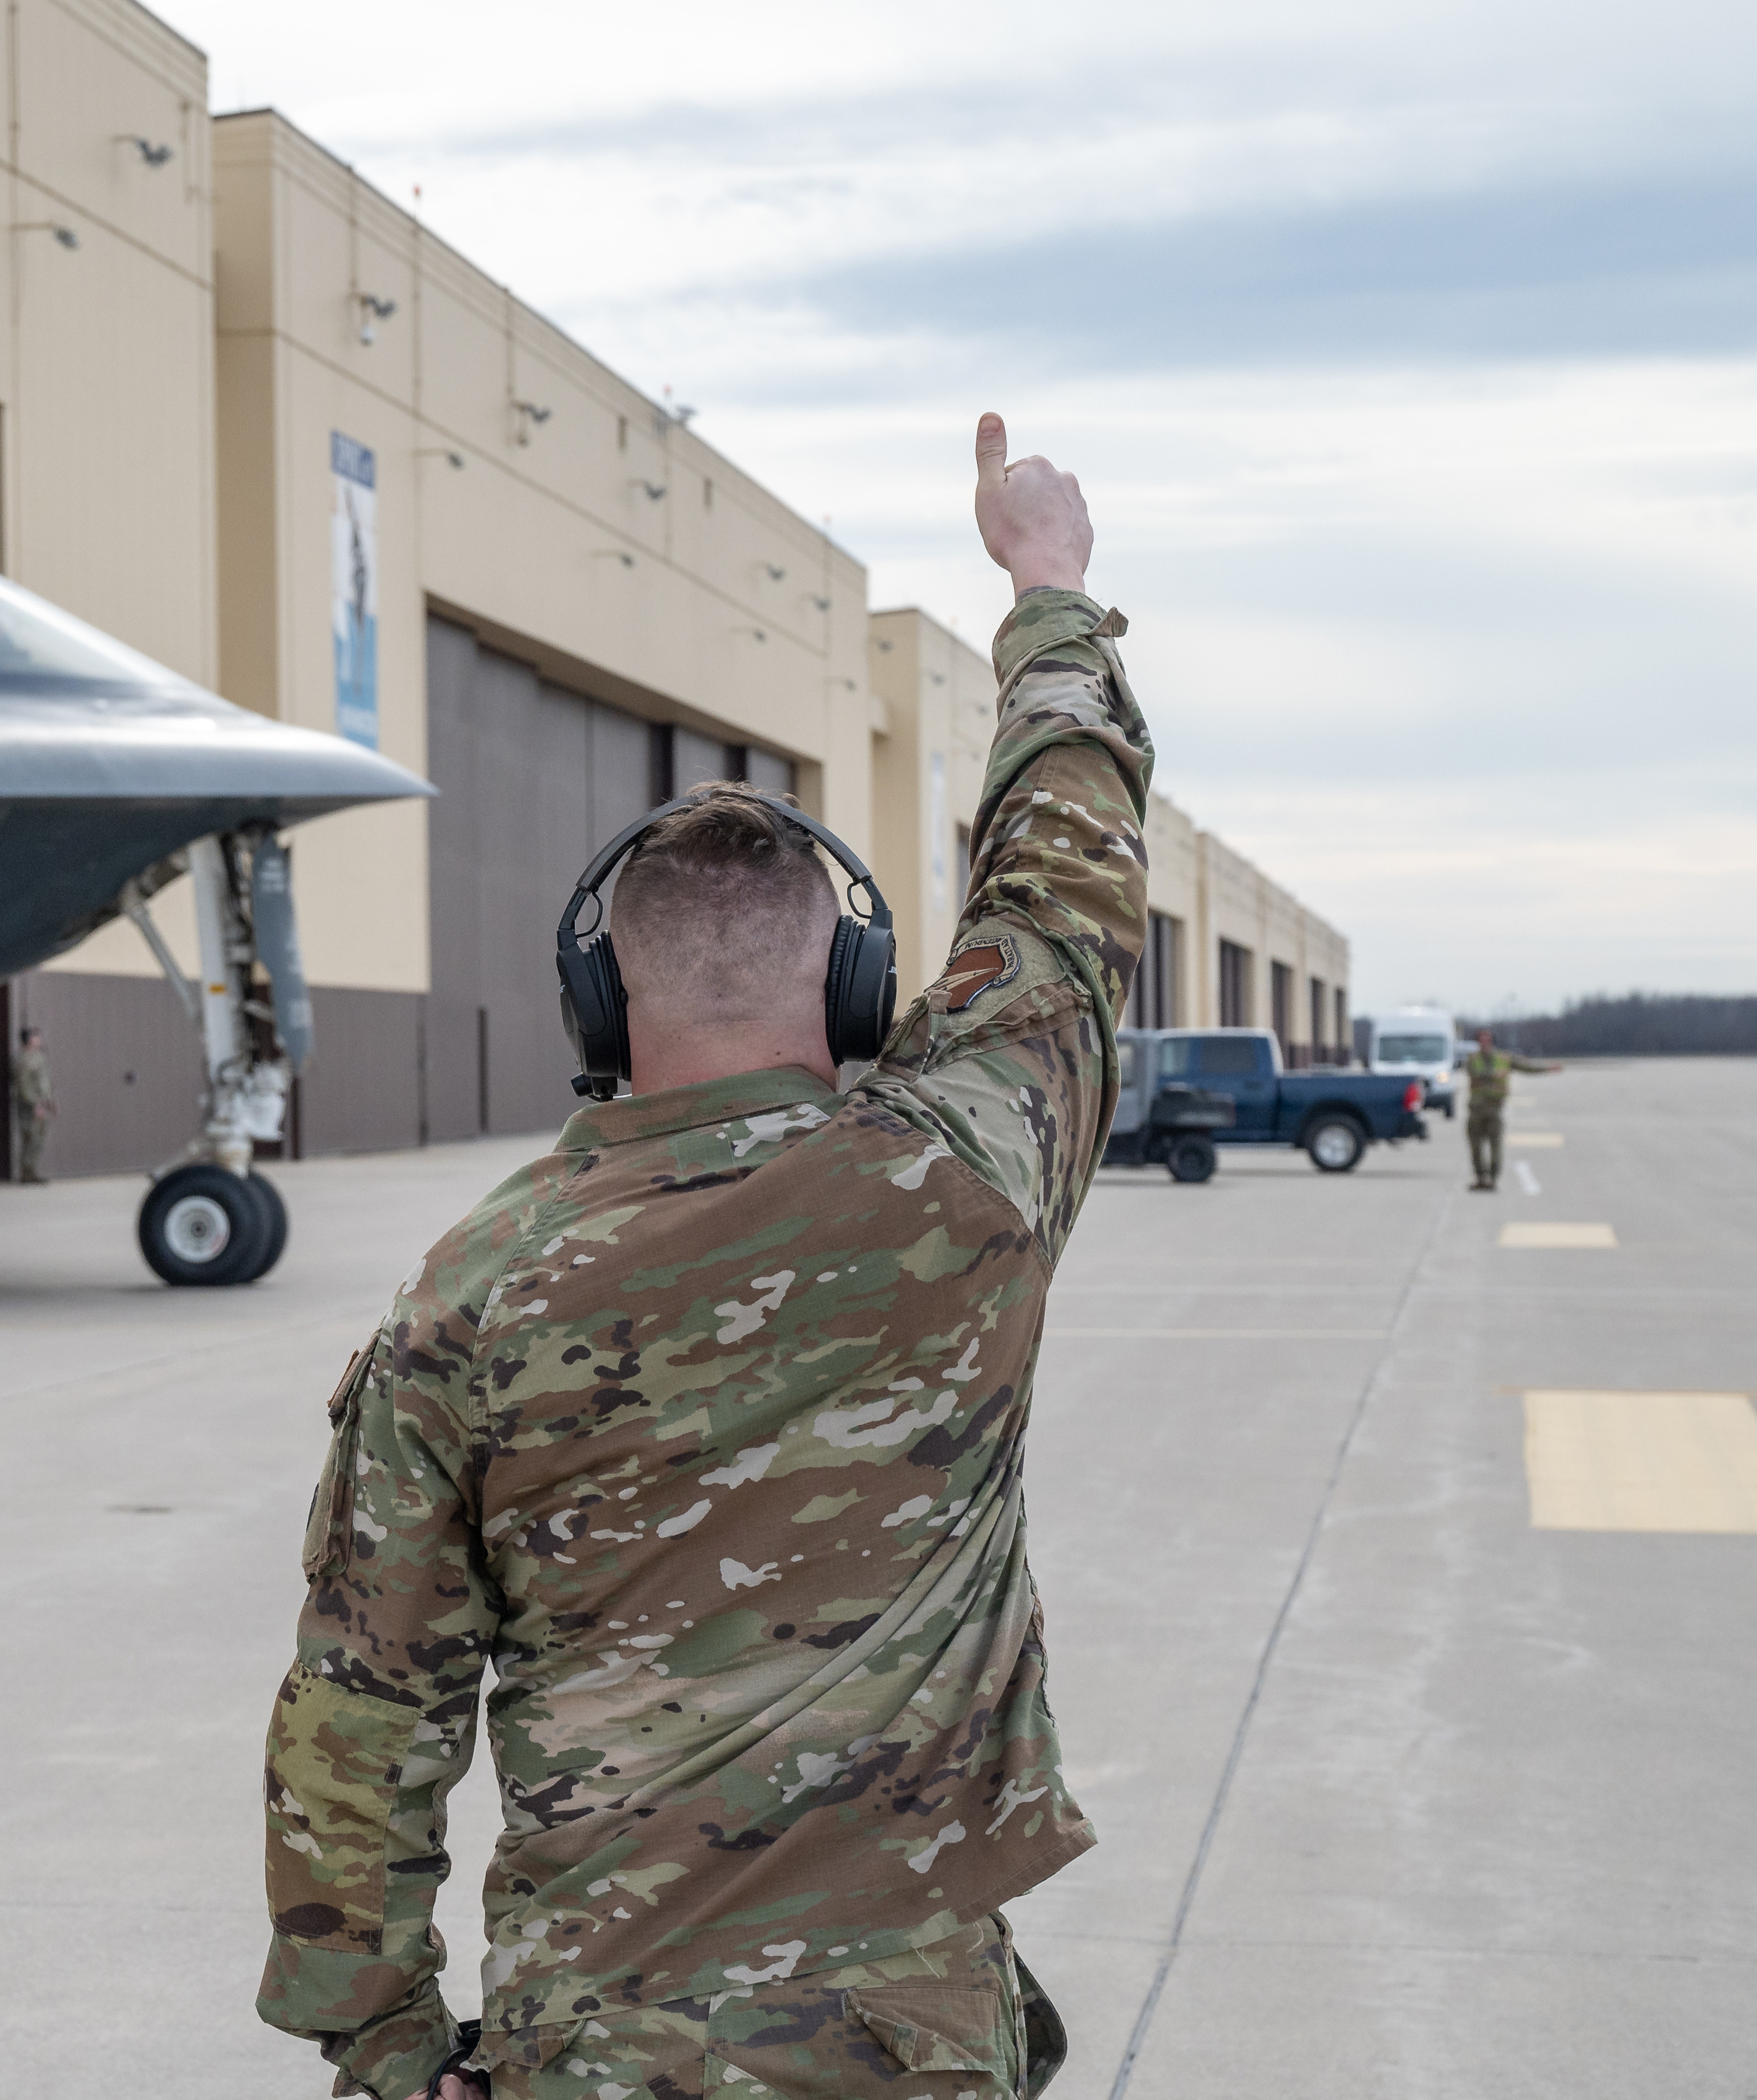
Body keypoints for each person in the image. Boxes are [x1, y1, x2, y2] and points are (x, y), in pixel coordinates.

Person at [256, 414, 1147, 2100]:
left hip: (589, 2051)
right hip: (911, 2053)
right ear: (860, 991)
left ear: (600, 1003)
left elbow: (361, 1714)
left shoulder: (469, 1293)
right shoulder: (960, 1179)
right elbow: (1063, 894)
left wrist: (382, 2051)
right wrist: (1047, 590)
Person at [1462, 1027, 1561, 1190]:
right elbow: (1477, 1074)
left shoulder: (1503, 1058)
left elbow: (1526, 1067)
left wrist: (1548, 1068)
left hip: (1495, 1108)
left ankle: (1492, 1178)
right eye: (1481, 1040)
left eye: (1488, 1040)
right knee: (1476, 1147)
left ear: (1493, 1041)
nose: (1485, 1043)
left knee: (1495, 1145)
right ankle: (1480, 1178)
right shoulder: (1473, 1060)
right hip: (1477, 1109)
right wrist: (1496, 1075)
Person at [11, 1024, 55, 1184]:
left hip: (41, 1104)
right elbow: (24, 1085)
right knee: (31, 1138)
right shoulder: (23, 1059)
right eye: (36, 1037)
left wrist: (49, 1102)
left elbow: (43, 1083)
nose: (39, 1040)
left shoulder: (38, 1056)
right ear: (29, 1039)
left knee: (38, 1139)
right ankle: (27, 1174)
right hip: (30, 1106)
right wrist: (35, 1104)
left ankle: (32, 1171)